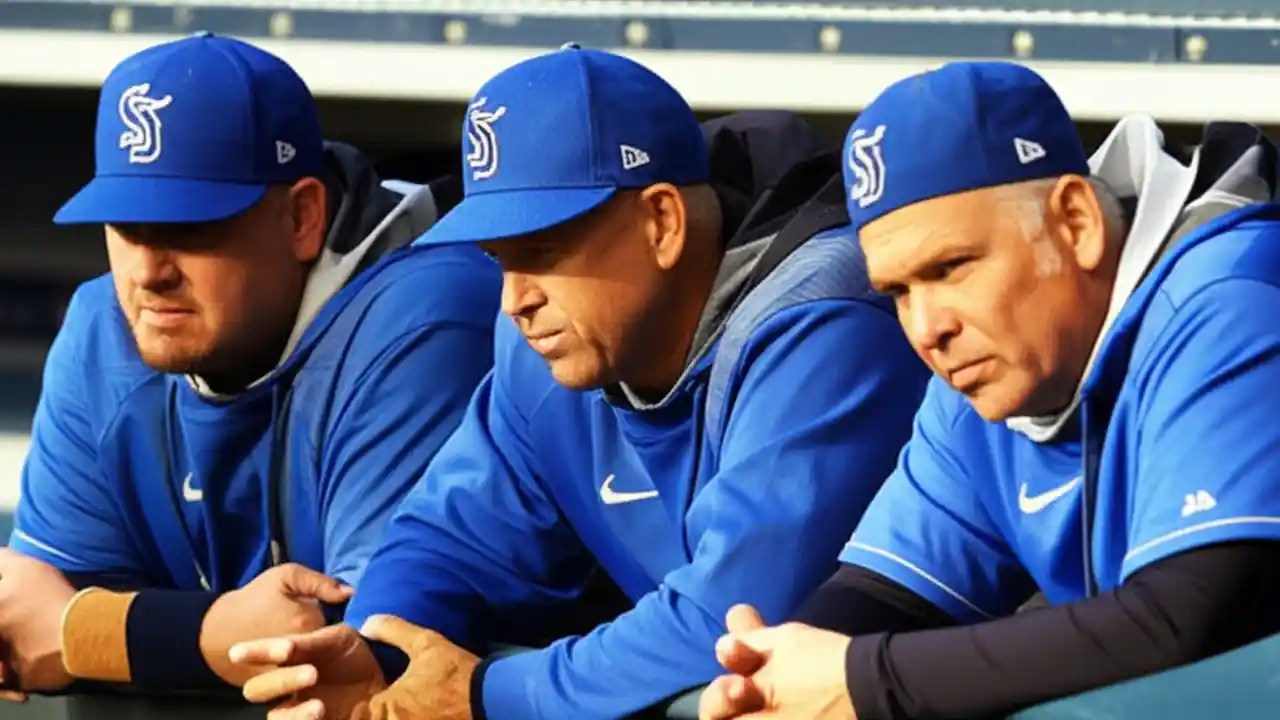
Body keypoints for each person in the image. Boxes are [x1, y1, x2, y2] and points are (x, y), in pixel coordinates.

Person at [226, 45, 931, 719]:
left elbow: (735, 621)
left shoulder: (827, 314)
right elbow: (448, 543)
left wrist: (484, 695)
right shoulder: (543, 348)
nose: (514, 300)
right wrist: (386, 653)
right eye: (499, 258)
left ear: (661, 221)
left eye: (542, 251)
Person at [698, 61, 1280, 720]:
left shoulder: (1233, 295)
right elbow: (885, 593)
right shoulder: (986, 373)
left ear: (1077, 223)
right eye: (898, 291)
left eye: (950, 268)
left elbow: (1186, 620)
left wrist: (863, 678)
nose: (927, 328)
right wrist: (769, 672)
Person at [0, 32, 500, 697]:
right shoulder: (106, 328)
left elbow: (370, 652)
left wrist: (93, 635)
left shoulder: (430, 310)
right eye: (124, 226)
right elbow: (27, 621)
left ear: (301, 216)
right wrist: (173, 633)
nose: (148, 273)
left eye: (188, 225)